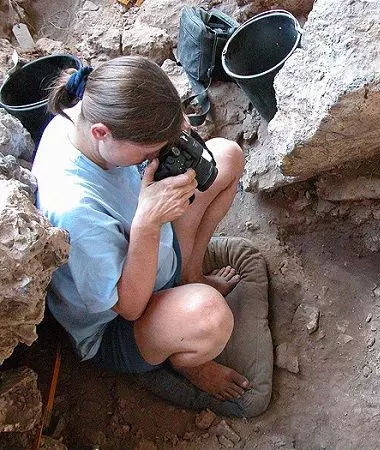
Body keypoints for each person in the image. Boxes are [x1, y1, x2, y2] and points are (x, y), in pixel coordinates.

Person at [32, 56, 250, 403]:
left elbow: (149, 105)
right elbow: (129, 307)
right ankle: (189, 364)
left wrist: (174, 128)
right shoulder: (75, 210)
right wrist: (148, 221)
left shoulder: (87, 108)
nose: (155, 156)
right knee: (209, 317)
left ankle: (189, 276)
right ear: (101, 133)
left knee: (226, 157)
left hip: (152, 248)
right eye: (148, 153)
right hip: (116, 322)